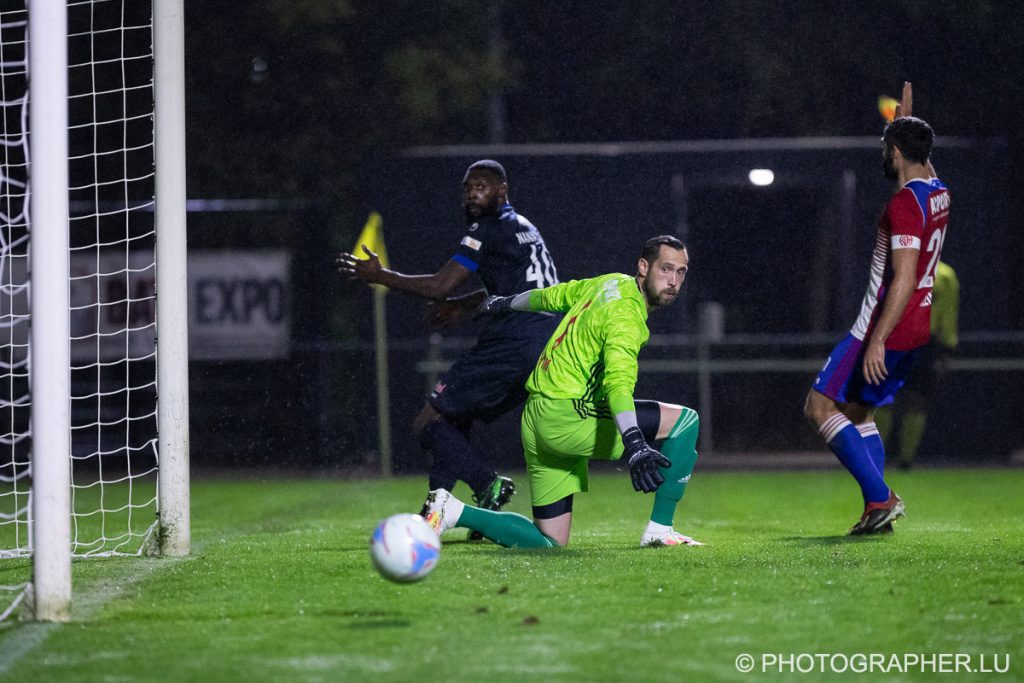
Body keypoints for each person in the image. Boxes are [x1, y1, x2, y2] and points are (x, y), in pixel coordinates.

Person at [422, 235, 702, 548]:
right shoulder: (627, 315)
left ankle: (451, 510)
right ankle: (660, 531)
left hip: (537, 418)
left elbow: (552, 296)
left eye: (681, 272)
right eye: (665, 269)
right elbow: (618, 383)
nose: (673, 281)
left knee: (550, 542)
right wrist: (635, 442)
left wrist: (505, 302)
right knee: (685, 421)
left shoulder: (609, 283)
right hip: (567, 417)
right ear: (643, 267)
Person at [336, 160, 561, 526]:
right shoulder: (523, 227)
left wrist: (380, 276)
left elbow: (440, 284)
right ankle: (435, 512)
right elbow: (520, 289)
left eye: (482, 186)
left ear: (502, 191)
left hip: (513, 340)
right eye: (468, 187)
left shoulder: (486, 229)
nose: (473, 193)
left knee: (428, 420)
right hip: (545, 344)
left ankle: (486, 485)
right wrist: (461, 305)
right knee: (453, 417)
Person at [803, 82, 950, 535]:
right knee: (862, 413)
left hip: (883, 325)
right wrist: (903, 121)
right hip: (918, 327)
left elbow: (902, 278)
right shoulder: (938, 190)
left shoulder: (906, 204)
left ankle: (882, 497)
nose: (883, 156)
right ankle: (876, 511)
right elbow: (920, 155)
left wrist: (877, 341)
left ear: (898, 153)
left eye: (888, 149)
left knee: (820, 406)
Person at [875, 260, 959, 469]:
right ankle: (878, 456)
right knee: (886, 399)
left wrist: (946, 349)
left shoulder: (945, 275)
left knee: (915, 401)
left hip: (924, 344)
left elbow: (948, 316)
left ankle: (905, 459)